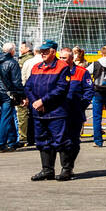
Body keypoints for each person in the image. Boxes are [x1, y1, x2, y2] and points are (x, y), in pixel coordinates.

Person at [24, 41, 72, 181]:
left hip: (57, 111)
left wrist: (43, 101)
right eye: (41, 51)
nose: (42, 53)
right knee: (42, 141)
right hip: (39, 112)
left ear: (53, 51)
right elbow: (28, 87)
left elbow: (61, 88)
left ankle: (66, 170)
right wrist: (35, 102)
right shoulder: (36, 67)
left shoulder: (62, 67)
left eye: (45, 51)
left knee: (61, 141)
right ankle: (47, 170)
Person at [57, 46, 94, 180]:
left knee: (73, 141)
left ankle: (68, 167)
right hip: (59, 113)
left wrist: (81, 105)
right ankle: (65, 168)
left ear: (72, 58)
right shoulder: (56, 71)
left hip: (75, 112)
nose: (61, 60)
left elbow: (89, 91)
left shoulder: (81, 72)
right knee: (61, 140)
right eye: (60, 57)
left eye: (64, 58)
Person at [0, 42, 25, 152]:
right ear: (12, 51)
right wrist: (22, 95)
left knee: (8, 116)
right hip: (8, 93)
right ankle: (0, 143)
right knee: (6, 117)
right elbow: (16, 81)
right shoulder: (12, 62)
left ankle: (13, 141)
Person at [16, 42, 36, 148]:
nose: (20, 49)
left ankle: (23, 137)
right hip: (35, 91)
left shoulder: (25, 60)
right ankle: (33, 136)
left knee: (22, 114)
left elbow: (21, 77)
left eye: (22, 47)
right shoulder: (31, 59)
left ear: (28, 49)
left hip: (25, 90)